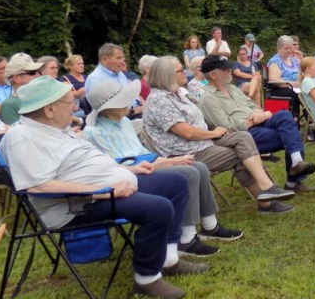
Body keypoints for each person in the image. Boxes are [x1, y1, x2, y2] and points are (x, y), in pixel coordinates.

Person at [1, 76, 202, 299]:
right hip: (78, 205)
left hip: (111, 187)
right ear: (49, 110)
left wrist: (128, 169)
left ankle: (168, 259)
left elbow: (88, 163)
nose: (75, 108)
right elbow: (39, 186)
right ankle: (147, 279)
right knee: (158, 208)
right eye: (70, 103)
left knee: (176, 182)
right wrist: (105, 191)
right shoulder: (22, 137)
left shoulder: (58, 128)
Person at [82, 78, 244, 258]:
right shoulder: (94, 132)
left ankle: (210, 225)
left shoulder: (125, 122)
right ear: (110, 107)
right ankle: (186, 238)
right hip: (128, 177)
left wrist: (168, 161)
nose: (130, 101)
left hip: (146, 165)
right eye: (123, 99)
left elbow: (142, 153)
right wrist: (168, 162)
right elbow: (117, 166)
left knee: (199, 166)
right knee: (188, 172)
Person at [142, 56, 295, 213]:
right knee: (244, 153)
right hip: (185, 153)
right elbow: (187, 132)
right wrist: (213, 133)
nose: (185, 72)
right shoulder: (159, 100)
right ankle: (267, 199)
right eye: (180, 70)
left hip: (203, 143)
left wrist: (213, 134)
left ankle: (267, 191)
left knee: (243, 138)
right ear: (167, 75)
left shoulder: (177, 94)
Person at [198, 54, 315, 194]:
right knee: (291, 134)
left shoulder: (233, 89)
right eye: (225, 69)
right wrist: (251, 120)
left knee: (285, 115)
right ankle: (293, 181)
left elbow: (252, 105)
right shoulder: (208, 99)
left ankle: (296, 162)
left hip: (259, 122)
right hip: (243, 135)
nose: (230, 71)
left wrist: (259, 113)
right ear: (213, 75)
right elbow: (225, 126)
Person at [85, 43, 142, 117]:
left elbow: (132, 95)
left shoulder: (119, 74)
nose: (123, 62)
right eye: (118, 58)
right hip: (110, 120)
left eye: (123, 58)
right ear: (105, 59)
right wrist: (133, 110)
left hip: (128, 116)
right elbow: (108, 110)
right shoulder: (95, 79)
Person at [0, 53, 44, 125]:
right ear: (17, 78)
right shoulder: (9, 105)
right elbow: (14, 131)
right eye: (32, 72)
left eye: (38, 71)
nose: (38, 76)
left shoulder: (41, 97)